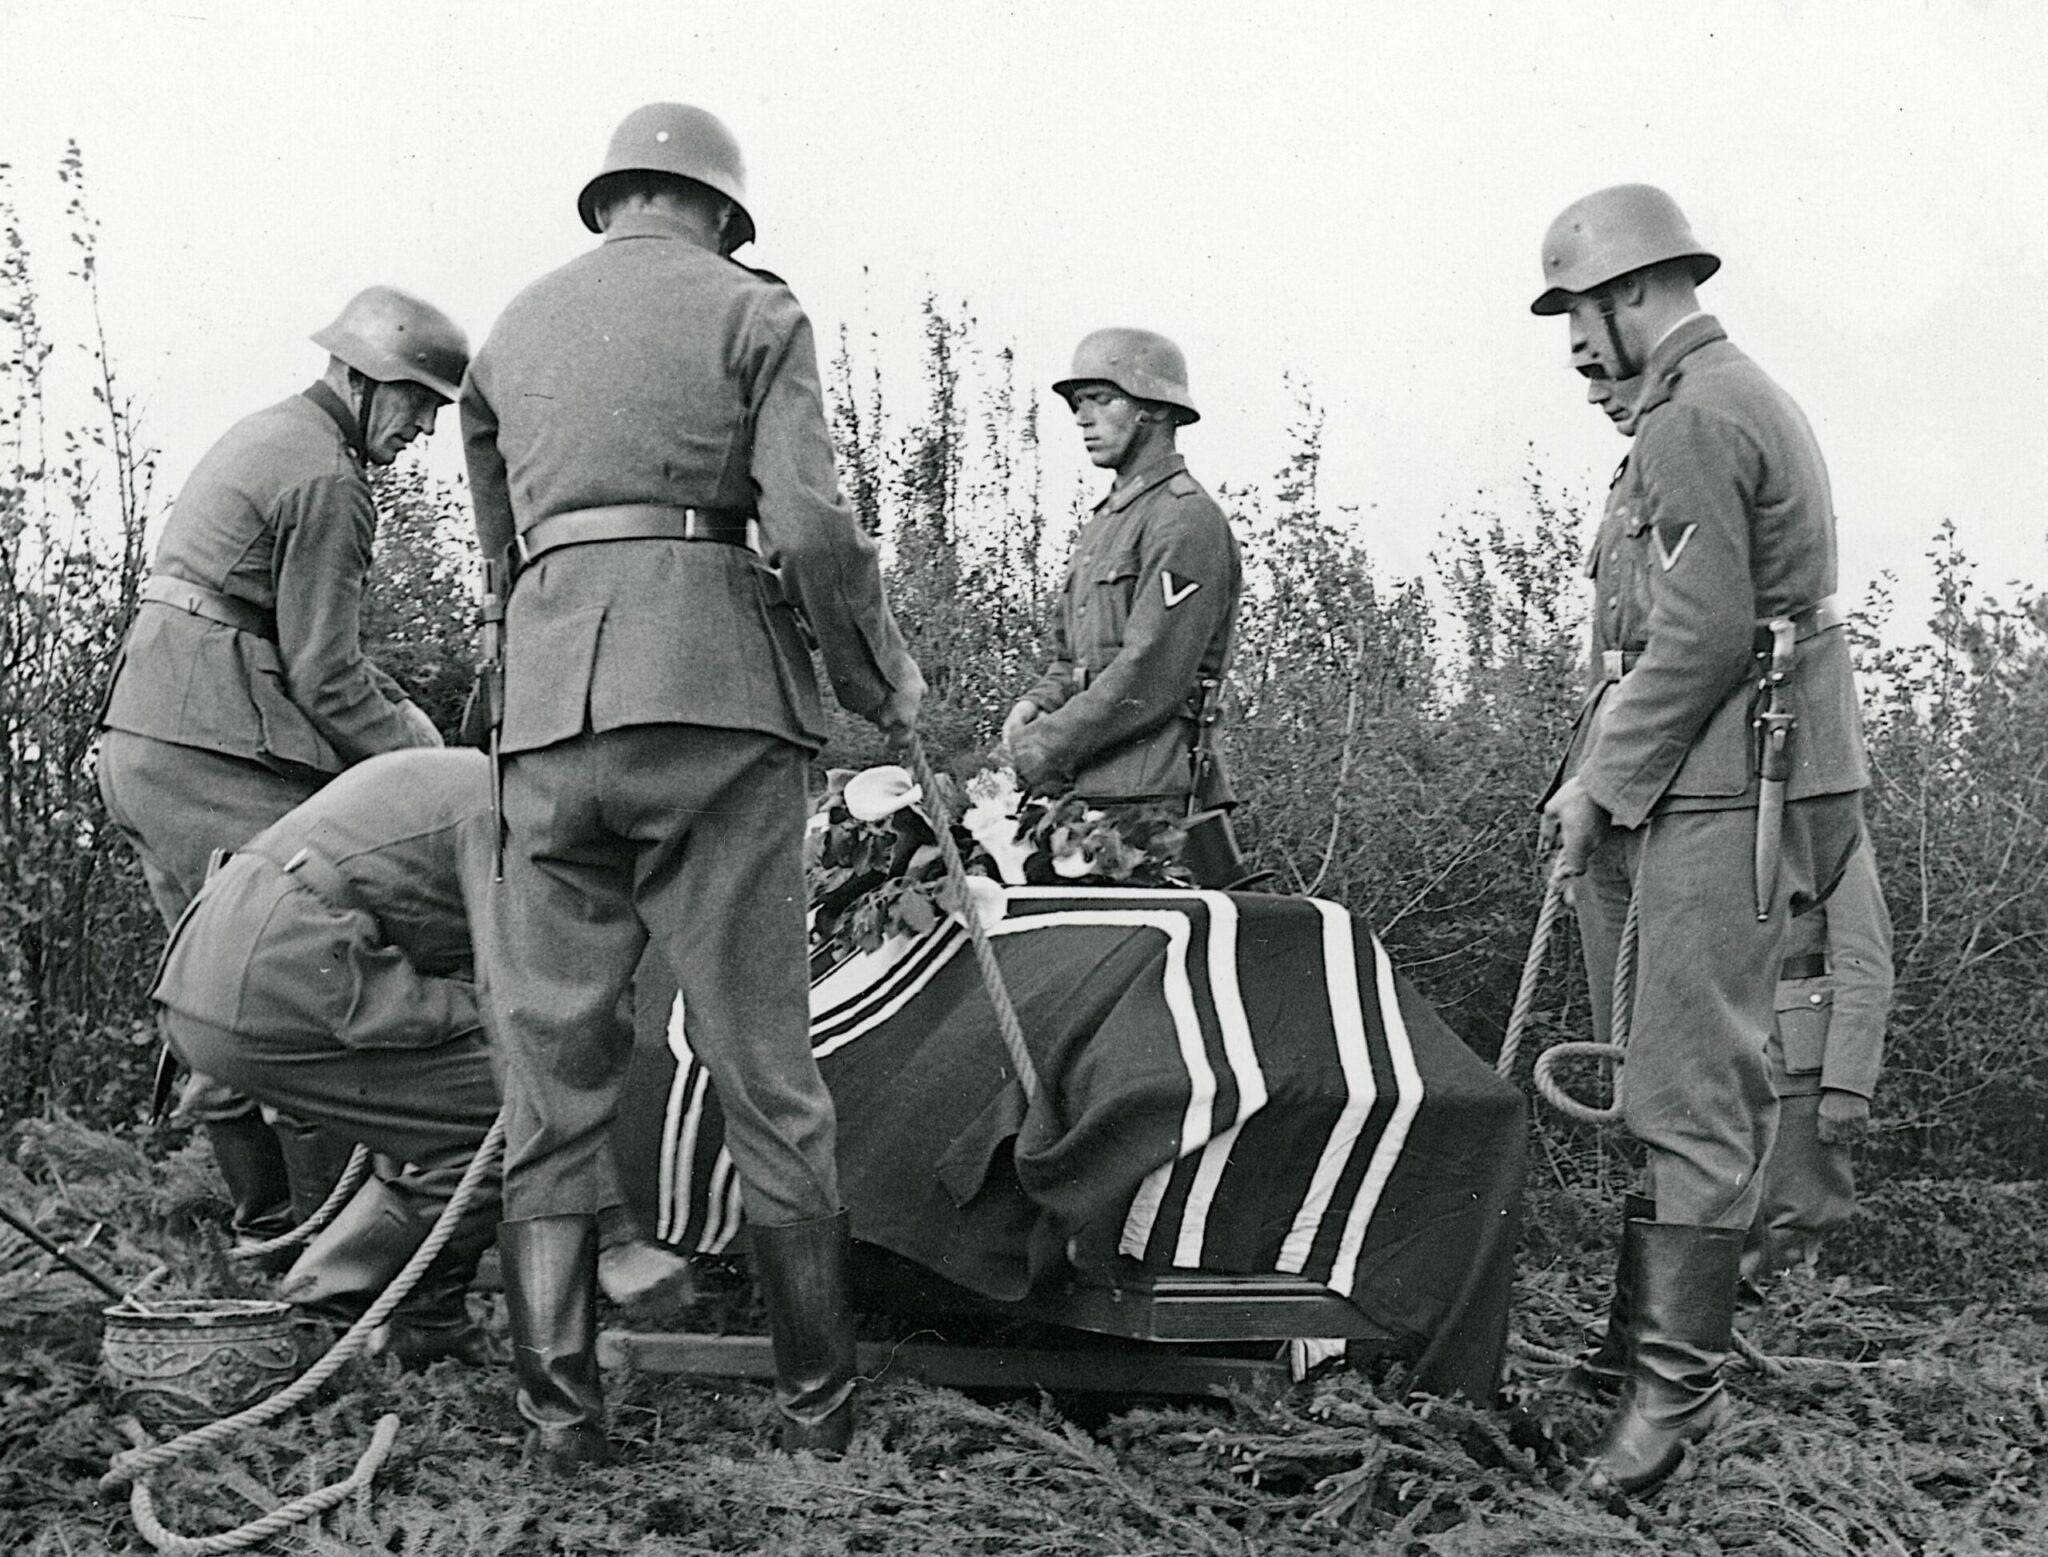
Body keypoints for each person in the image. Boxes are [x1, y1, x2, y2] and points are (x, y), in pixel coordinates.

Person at [461, 102, 923, 1469]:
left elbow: (504, 553)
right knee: (763, 1063)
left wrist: (546, 654)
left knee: (549, 1063)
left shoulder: (511, 330)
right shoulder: (755, 314)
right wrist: (877, 678)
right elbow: (813, 525)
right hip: (718, 701)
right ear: (722, 209)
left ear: (610, 200)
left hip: (548, 714)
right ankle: (820, 1426)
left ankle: (559, 1426)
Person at [1533, 184, 1869, 1494]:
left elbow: (1701, 635)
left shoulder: (1692, 417)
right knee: (1670, 1065)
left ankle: (1667, 1412)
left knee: (1688, 1090)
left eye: (1577, 310)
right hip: (1733, 772)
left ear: (1633, 294)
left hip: (1735, 783)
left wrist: (1599, 785)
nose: (1571, 343)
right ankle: (1639, 1357)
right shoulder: (1717, 398)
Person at [97, 287, 467, 1252]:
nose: (422, 429)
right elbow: (329, 679)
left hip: (155, 737)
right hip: (211, 746)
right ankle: (315, 1260)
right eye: (417, 402)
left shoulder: (273, 435)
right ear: (360, 375)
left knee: (220, 979)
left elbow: (306, 650)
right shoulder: (329, 480)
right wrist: (429, 767)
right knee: (287, 981)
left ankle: (274, 1243)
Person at [150, 747, 700, 1365]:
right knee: (515, 1127)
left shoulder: (471, 780)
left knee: (458, 1109)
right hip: (283, 976)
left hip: (221, 972)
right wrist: (618, 1238)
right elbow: (527, 1020)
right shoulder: (506, 815)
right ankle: (319, 1309)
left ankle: (422, 1324)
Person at [1001, 329, 1246, 882]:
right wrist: (1035, 705)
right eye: (1078, 404)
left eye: (1102, 399)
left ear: (1154, 412)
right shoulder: (1106, 525)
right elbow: (1074, 660)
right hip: (1088, 790)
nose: (1083, 419)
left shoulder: (1184, 518)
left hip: (1152, 800)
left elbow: (1150, 670)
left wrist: (1044, 746)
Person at [1747, 835, 1892, 1284]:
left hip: (1792, 1047)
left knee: (1793, 1213)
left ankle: (1787, 1319)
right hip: (1707, 1034)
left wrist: (1847, 1083)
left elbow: (1864, 960)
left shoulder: (1832, 832)